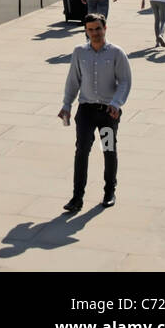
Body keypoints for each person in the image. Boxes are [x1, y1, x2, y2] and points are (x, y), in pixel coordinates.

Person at [58, 12, 132, 212]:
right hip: (86, 112)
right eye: (90, 30)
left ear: (105, 28)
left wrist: (116, 104)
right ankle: (77, 197)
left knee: (108, 150)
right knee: (81, 151)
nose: (95, 33)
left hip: (108, 114)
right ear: (86, 31)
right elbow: (73, 81)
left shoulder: (117, 53)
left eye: (98, 28)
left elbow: (124, 81)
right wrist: (66, 104)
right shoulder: (79, 53)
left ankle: (109, 191)